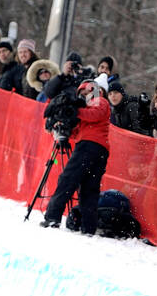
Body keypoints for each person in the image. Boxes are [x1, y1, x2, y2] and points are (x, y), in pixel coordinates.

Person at [40, 77, 112, 233]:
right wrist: (62, 128)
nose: (85, 96)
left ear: (95, 91)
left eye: (87, 92)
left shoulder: (100, 102)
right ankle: (88, 228)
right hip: (98, 149)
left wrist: (75, 112)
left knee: (68, 179)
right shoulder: (88, 109)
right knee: (89, 189)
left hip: (89, 146)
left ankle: (52, 217)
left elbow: (95, 114)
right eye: (82, 93)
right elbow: (79, 130)